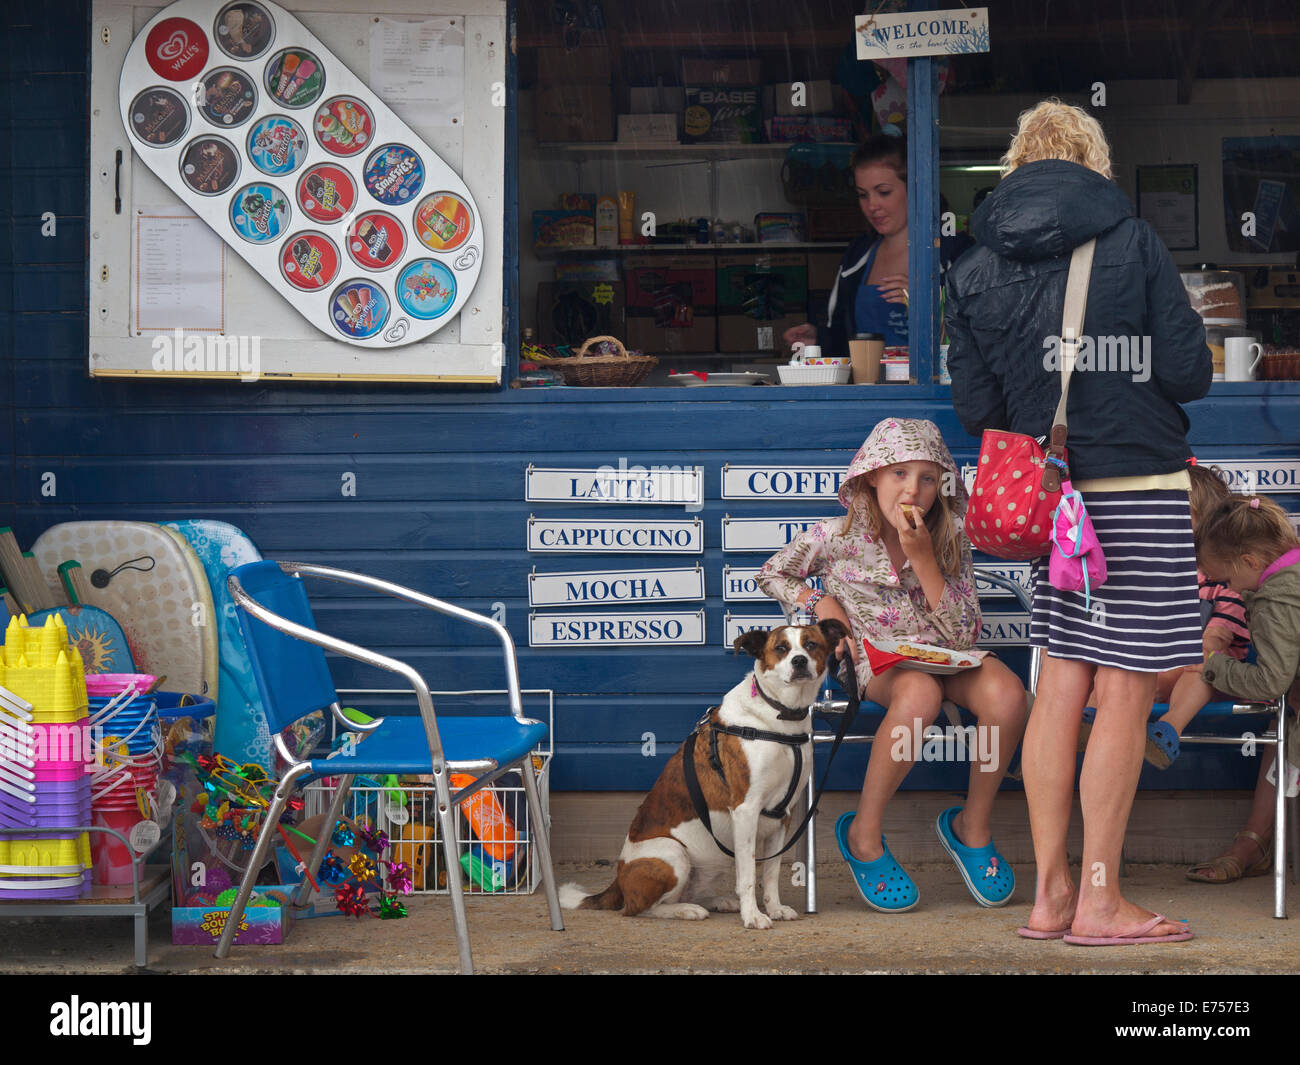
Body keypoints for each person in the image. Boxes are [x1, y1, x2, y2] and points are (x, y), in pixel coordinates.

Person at [945, 99, 1212, 944]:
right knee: (1125, 691)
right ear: (1094, 162)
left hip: (1053, 503)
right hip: (1137, 488)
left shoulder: (977, 263)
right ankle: (1100, 900)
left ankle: (1051, 893)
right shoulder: (1132, 242)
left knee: (1058, 688)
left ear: (1016, 165)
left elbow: (978, 406)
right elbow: (1189, 371)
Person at [756, 417, 1027, 911]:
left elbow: (966, 633)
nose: (914, 490)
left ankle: (973, 826)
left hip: (948, 654)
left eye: (928, 478)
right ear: (870, 478)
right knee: (920, 693)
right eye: (899, 473)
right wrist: (819, 601)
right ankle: (865, 832)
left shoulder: (948, 538)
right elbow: (772, 571)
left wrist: (924, 561)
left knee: (1008, 694)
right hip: (879, 659)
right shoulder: (836, 536)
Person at [1078, 463, 1250, 770]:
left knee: (1205, 657)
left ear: (1210, 527)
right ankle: (1090, 717)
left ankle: (1168, 729)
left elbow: (1220, 635)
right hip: (1155, 670)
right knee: (1114, 660)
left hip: (1209, 677)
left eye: (1182, 518)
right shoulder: (1154, 574)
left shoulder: (1224, 577)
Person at [1188, 495, 1300, 882]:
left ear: (1250, 563)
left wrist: (1215, 667)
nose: (1229, 587)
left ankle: (1256, 845)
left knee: (1286, 735)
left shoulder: (1275, 599)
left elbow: (1271, 680)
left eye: (1227, 580)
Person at [783, 134, 912, 355]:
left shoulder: (950, 256)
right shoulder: (857, 255)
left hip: (930, 390)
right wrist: (820, 340)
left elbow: (978, 334)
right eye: (863, 195)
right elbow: (842, 332)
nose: (872, 205)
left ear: (915, 187)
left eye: (883, 192)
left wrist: (932, 305)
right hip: (866, 388)